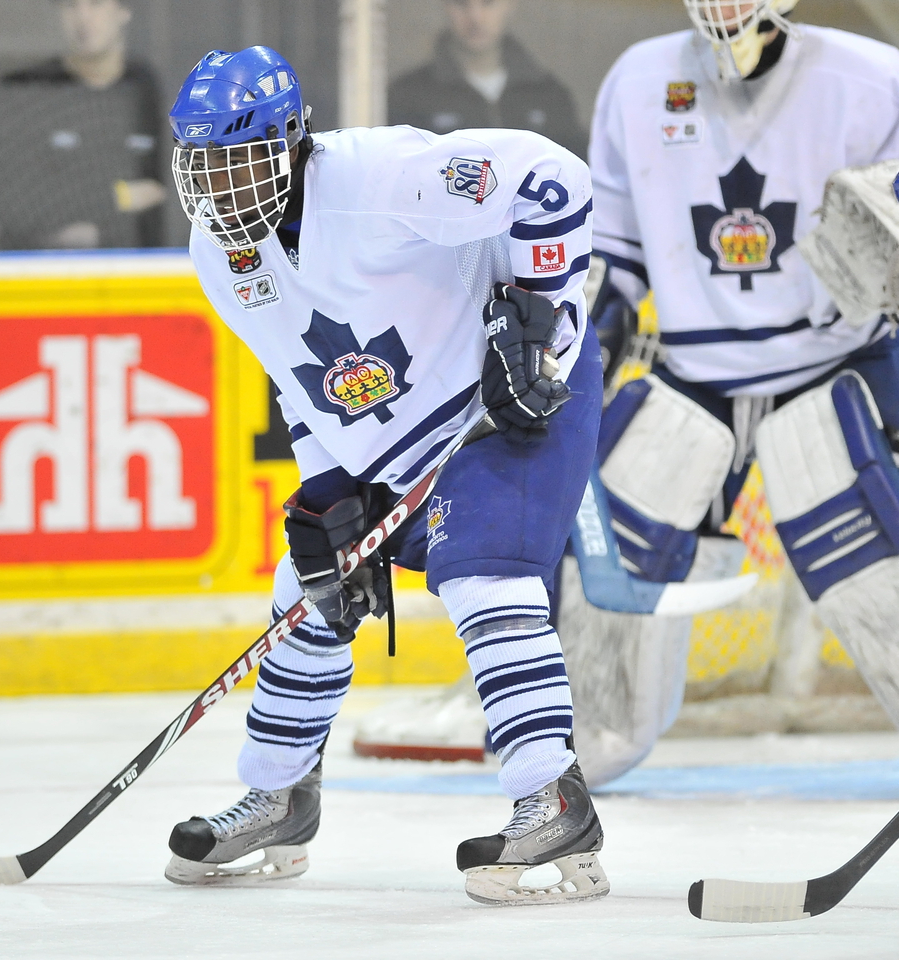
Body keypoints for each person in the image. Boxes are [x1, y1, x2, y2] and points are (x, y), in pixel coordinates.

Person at [163, 46, 609, 906]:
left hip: (509, 392)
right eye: (200, 164)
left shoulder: (385, 177)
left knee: (483, 569)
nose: (215, 186)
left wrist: (536, 322)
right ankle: (281, 796)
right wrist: (329, 492)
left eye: (235, 159)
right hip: (399, 437)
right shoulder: (222, 255)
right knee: (309, 580)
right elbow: (299, 382)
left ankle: (554, 796)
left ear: (290, 143)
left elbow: (550, 179)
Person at [582, 0, 899, 754]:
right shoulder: (639, 80)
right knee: (609, 563)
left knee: (872, 573)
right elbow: (610, 257)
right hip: (692, 373)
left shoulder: (873, 78)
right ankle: (573, 763)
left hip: (837, 361)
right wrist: (574, 358)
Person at [0, 0, 165, 250]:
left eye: (96, 4)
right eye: (70, 5)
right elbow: (7, 197)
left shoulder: (145, 88)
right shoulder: (26, 90)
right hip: (36, 273)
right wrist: (121, 196)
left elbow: (177, 189)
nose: (83, 17)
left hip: (139, 272)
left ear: (124, 10)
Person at [389, 0, 588, 160]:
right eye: (461, 3)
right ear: (446, 6)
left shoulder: (549, 95)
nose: (475, 18)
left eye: (488, 3)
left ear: (510, 5)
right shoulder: (409, 96)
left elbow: (575, 177)